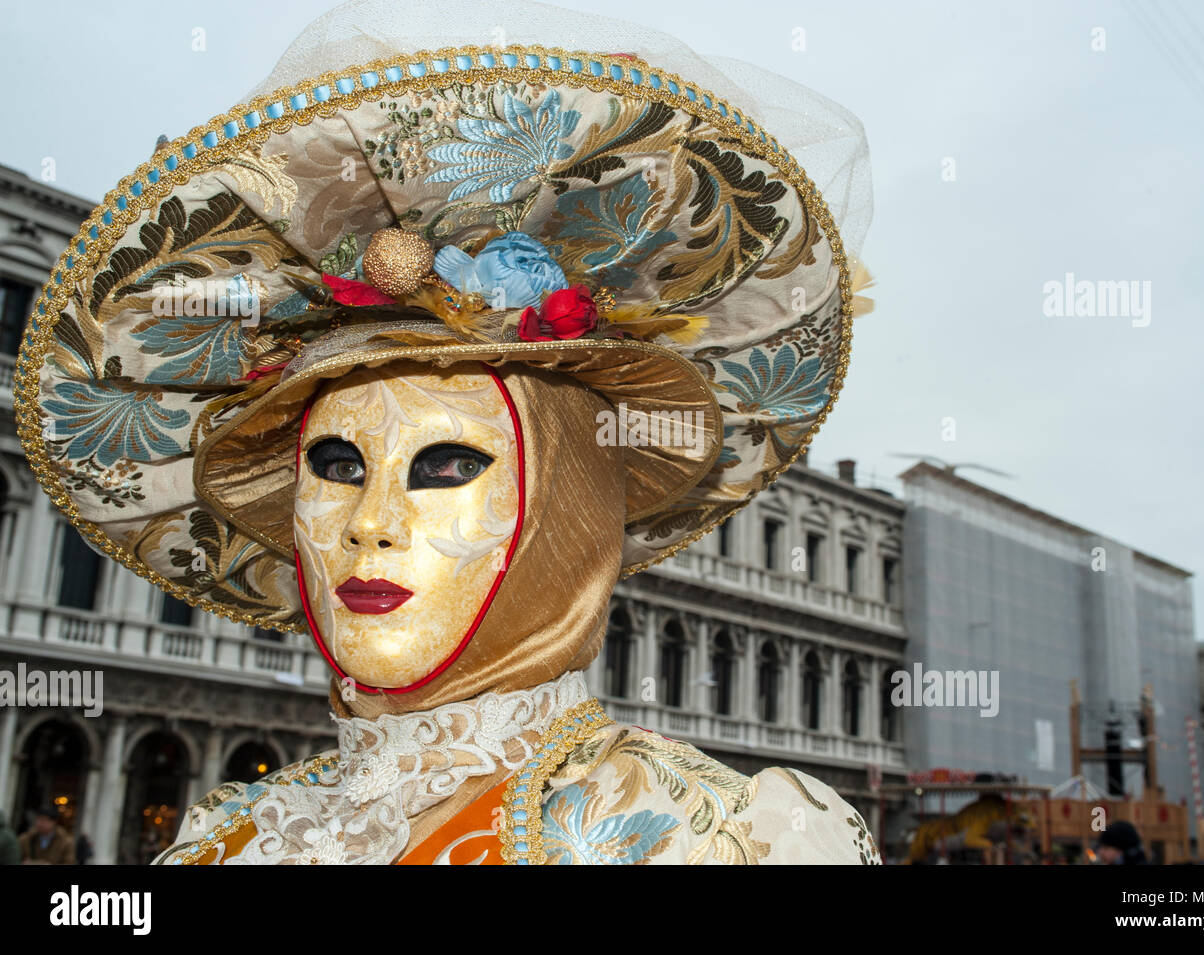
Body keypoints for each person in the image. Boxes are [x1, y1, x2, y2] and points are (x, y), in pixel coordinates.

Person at [18, 0, 878, 865]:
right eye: (335, 463)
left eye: (449, 463)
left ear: (568, 506)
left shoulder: (737, 842)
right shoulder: (222, 842)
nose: (368, 522)